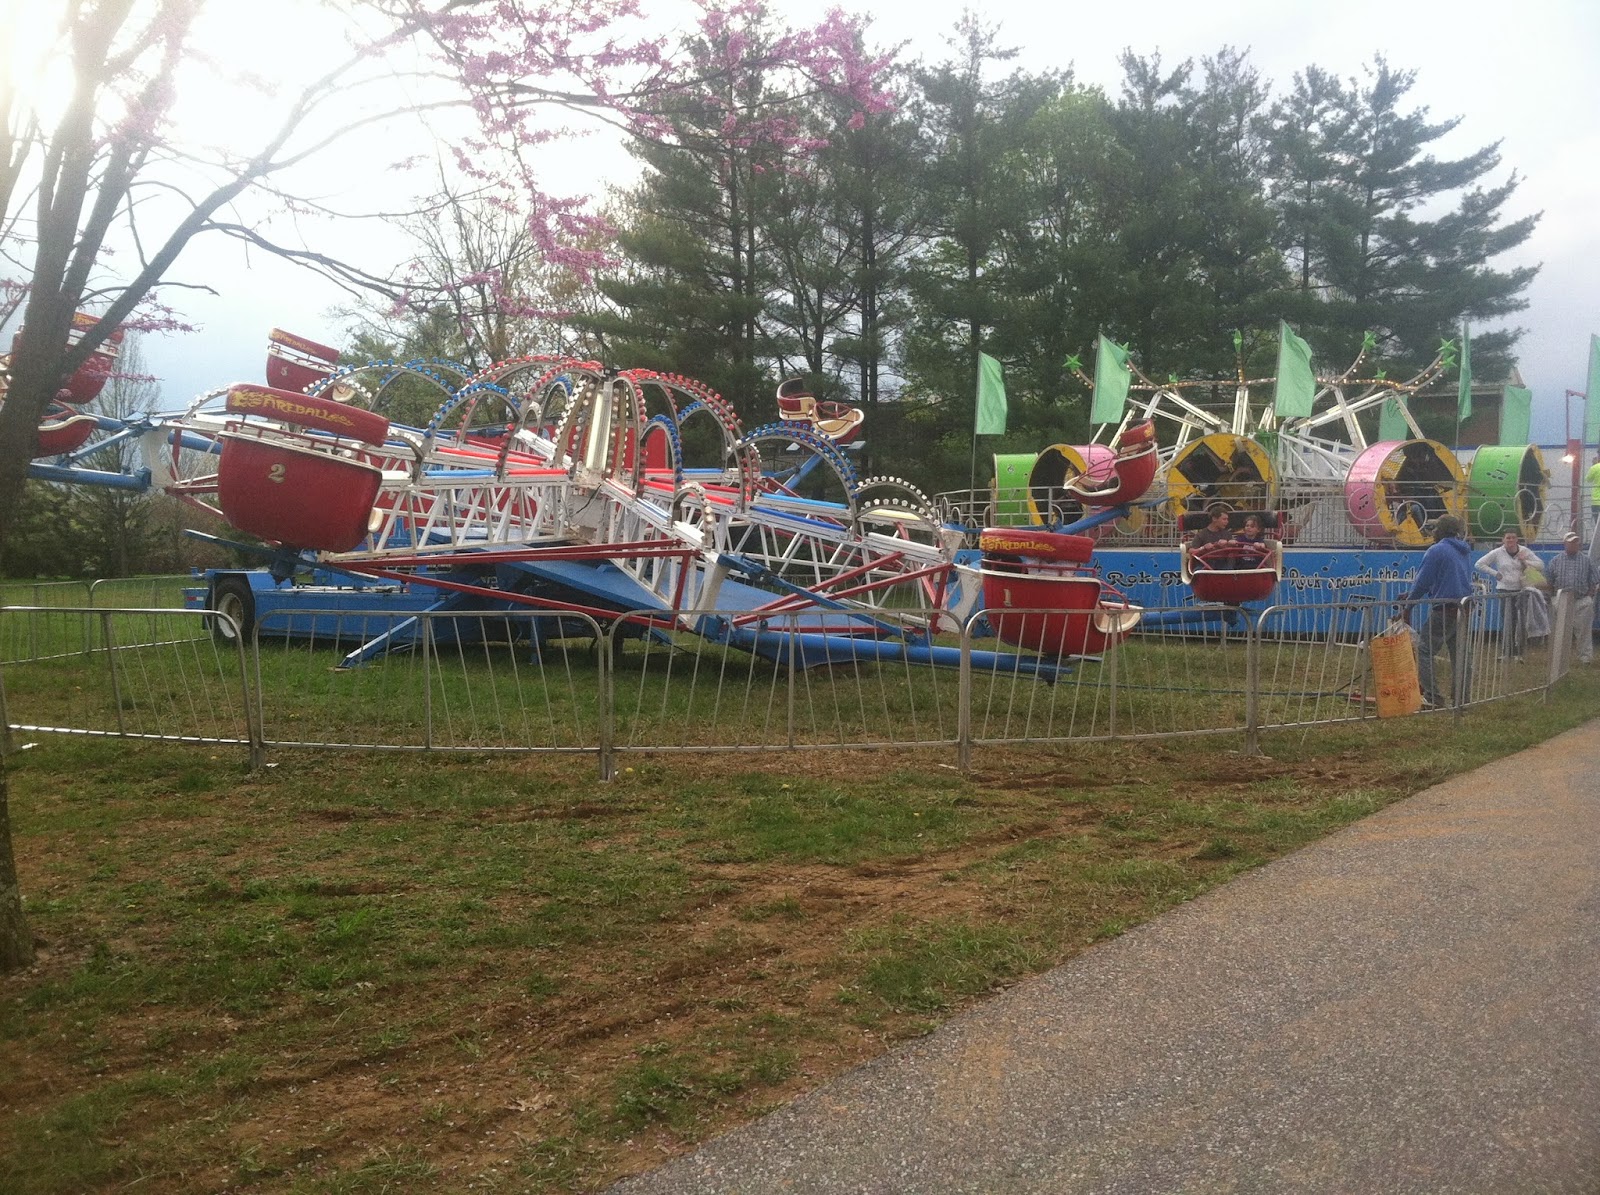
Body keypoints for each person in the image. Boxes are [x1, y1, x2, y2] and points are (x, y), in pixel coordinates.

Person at [1403, 514, 1474, 708]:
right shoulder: (1464, 550)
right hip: (1463, 607)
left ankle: (1434, 696)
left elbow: (1422, 582)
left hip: (1444, 609)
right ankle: (1462, 698)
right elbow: (1448, 580)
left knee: (1425, 650)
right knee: (1460, 655)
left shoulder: (1437, 550)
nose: (1432, 532)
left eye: (1435, 529)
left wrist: (1409, 605)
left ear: (1441, 530)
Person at [1475, 531, 1543, 660]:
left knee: (1521, 620)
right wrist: (1495, 573)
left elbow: (1540, 565)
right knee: (1507, 621)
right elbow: (1479, 564)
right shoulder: (1497, 552)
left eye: (1513, 538)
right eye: (1508, 538)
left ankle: (1519, 653)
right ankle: (1507, 651)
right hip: (1504, 590)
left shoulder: (1524, 551)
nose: (1510, 540)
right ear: (1503, 540)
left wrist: (1526, 561)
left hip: (1521, 589)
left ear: (1517, 540)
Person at [1545, 531, 1600, 665]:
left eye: (1576, 541)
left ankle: (1585, 658)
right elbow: (1549, 581)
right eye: (1571, 542)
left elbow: (1594, 581)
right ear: (1565, 544)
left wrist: (1589, 597)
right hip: (1562, 599)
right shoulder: (1556, 561)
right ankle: (1559, 659)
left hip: (1581, 599)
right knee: (1560, 631)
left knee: (1584, 631)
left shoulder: (1587, 561)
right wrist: (1553, 599)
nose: (1574, 544)